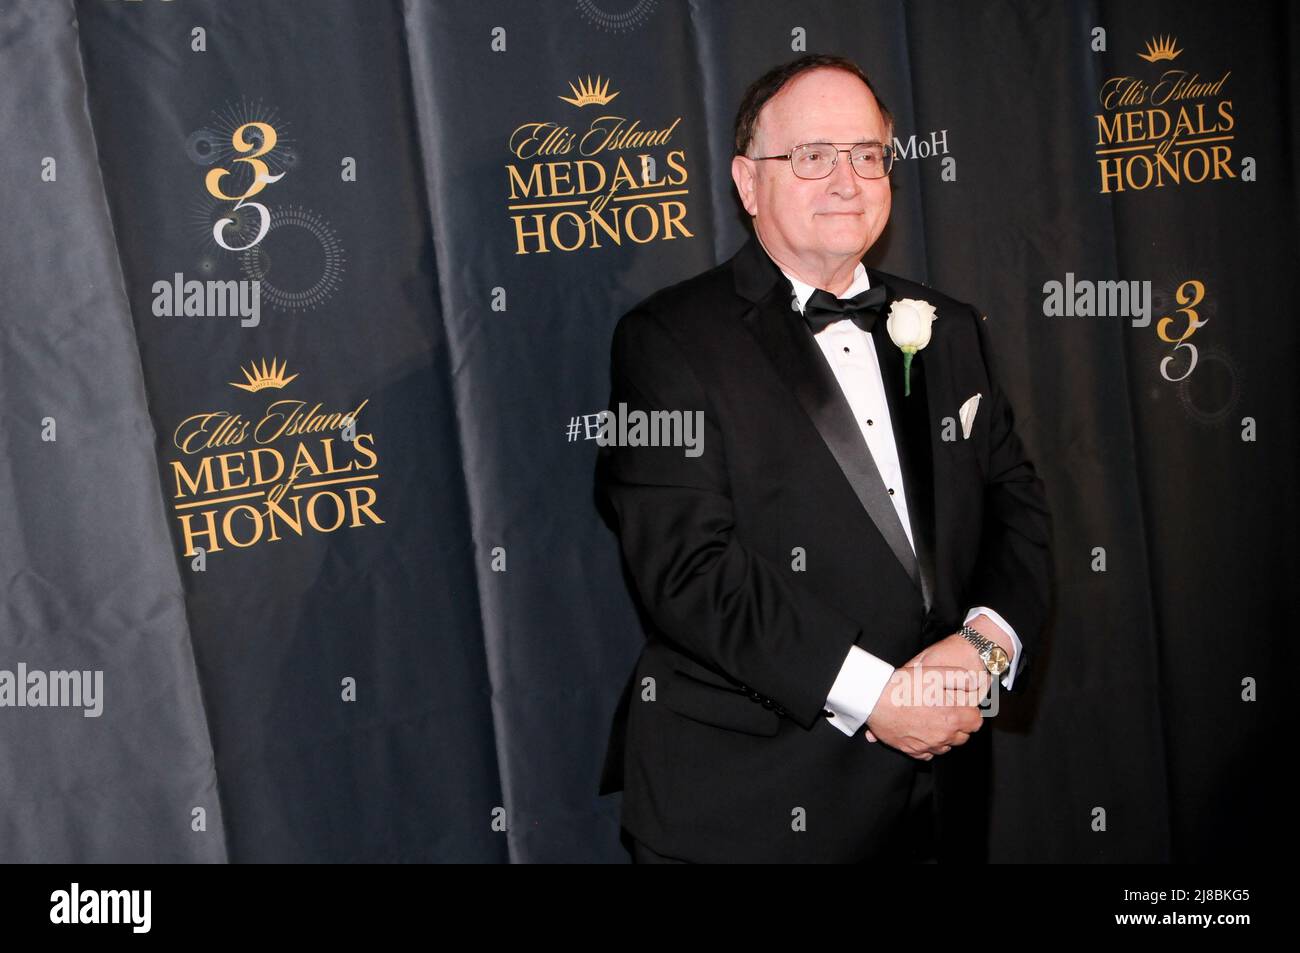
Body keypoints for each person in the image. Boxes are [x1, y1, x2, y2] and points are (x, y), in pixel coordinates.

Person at [595, 53, 1052, 863]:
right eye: (810, 156)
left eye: (867, 154)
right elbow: (688, 571)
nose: (846, 179)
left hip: (941, 794)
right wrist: (879, 695)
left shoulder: (946, 325)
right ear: (747, 182)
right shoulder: (665, 341)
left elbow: (1015, 502)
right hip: (750, 805)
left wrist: (985, 647)